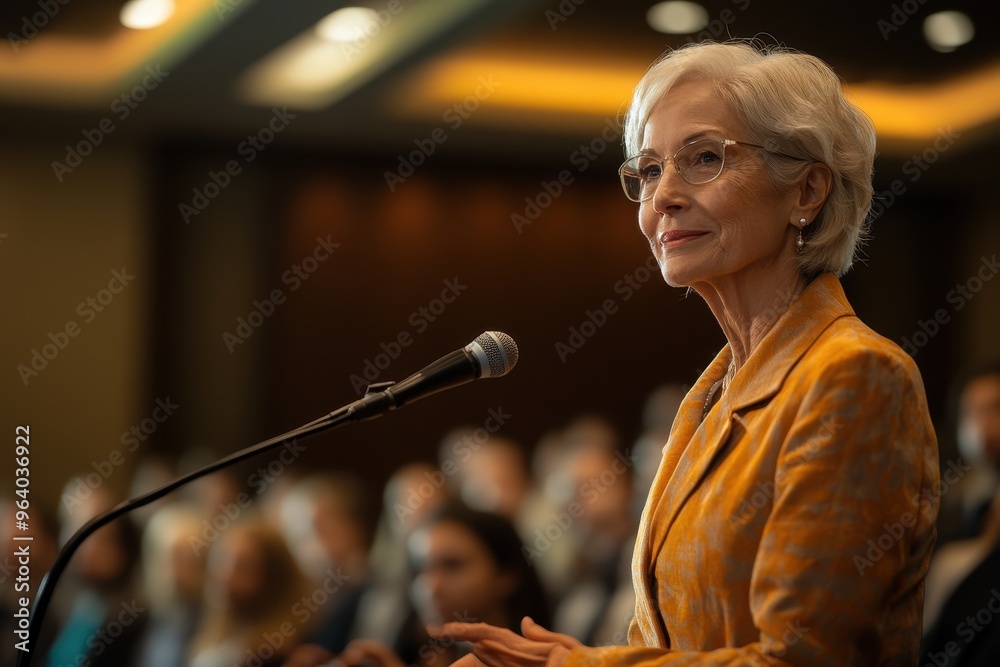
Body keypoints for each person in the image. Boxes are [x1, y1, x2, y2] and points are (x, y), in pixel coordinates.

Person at [429, 40, 940, 666]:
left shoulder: (855, 375)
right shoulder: (710, 393)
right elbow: (668, 643)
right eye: (647, 171)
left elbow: (805, 659)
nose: (662, 195)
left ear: (806, 191)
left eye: (703, 159)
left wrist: (576, 666)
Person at [283, 503, 551, 667]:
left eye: (452, 565)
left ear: (507, 575)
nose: (430, 585)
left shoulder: (550, 659)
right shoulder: (424, 655)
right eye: (420, 569)